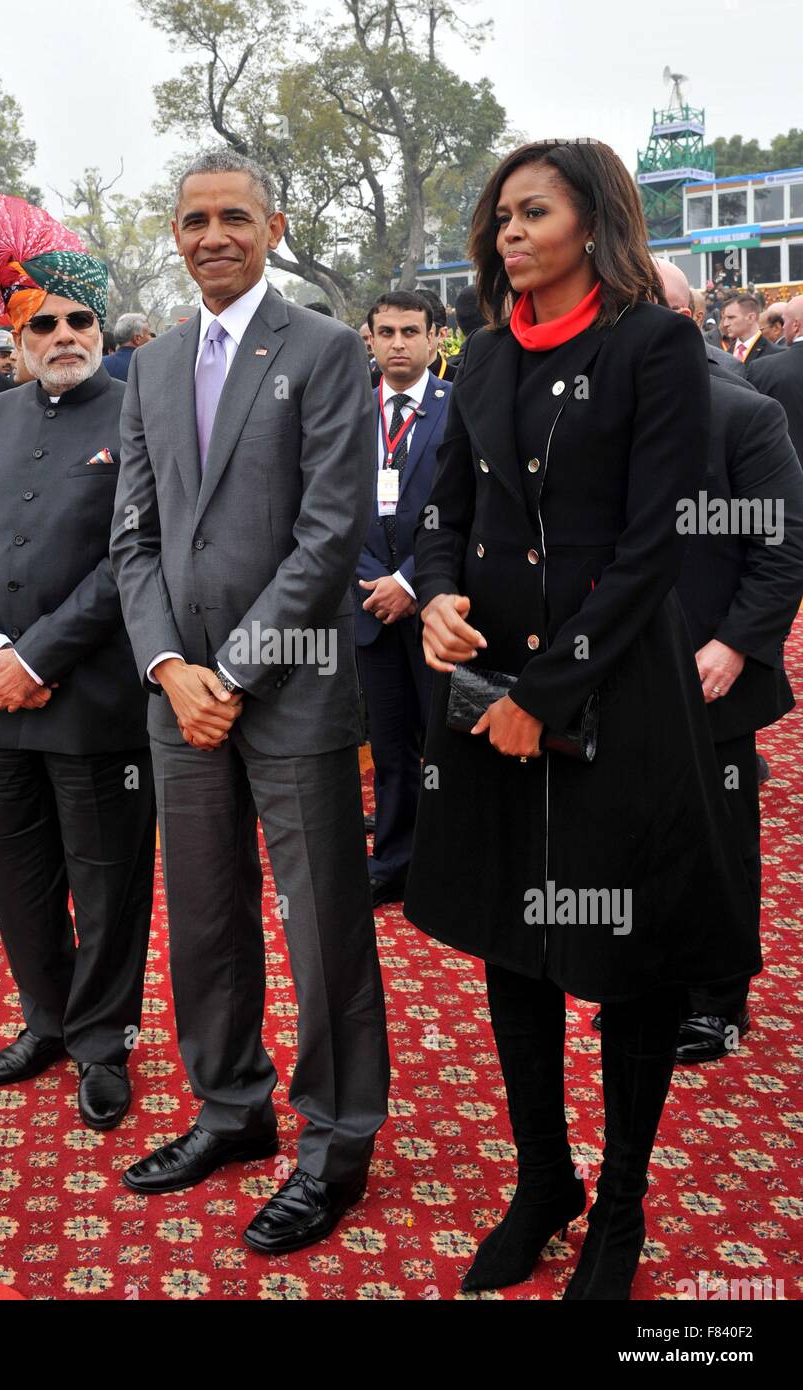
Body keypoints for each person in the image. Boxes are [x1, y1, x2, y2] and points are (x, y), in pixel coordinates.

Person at [404, 138, 760, 1301]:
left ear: (590, 221)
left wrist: (540, 700)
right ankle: (543, 1179)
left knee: (626, 959)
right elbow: (442, 506)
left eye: (533, 211)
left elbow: (654, 542)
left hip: (615, 694)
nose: (508, 230)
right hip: (487, 683)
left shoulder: (650, 344)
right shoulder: (488, 355)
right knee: (517, 940)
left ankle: (620, 1210)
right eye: (499, 213)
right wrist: (441, 593)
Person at [111, 149, 390, 1253]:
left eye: (233, 216)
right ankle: (230, 1108)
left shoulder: (323, 349)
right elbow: (131, 535)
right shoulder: (153, 363)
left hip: (292, 693)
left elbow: (329, 536)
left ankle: (336, 1139)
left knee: (322, 930)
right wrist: (171, 670)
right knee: (206, 918)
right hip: (178, 703)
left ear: (273, 227)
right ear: (173, 234)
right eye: (193, 219)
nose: (212, 235)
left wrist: (231, 672)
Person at [0, 194, 155, 1131]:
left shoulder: (139, 412)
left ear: (99, 325)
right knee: (18, 881)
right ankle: (46, 1022)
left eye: (78, 320)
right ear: (12, 339)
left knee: (105, 880)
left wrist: (39, 655)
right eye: (42, 323)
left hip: (88, 696)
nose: (63, 334)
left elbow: (134, 553)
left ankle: (103, 1043)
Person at [652, 259, 803, 1062]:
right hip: (617, 672)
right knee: (641, 840)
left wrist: (735, 644)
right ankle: (656, 984)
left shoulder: (740, 412)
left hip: (715, 671)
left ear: (682, 321)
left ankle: (716, 1001)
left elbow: (782, 552)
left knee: (715, 845)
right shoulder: (599, 412)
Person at [355, 290, 450, 908]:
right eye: (385, 332)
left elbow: (468, 509)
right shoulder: (348, 411)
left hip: (437, 603)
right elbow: (328, 505)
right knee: (389, 745)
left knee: (445, 743)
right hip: (366, 604)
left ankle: (449, 862)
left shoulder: (459, 409)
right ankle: (392, 859)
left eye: (410, 332)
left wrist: (411, 582)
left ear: (435, 337)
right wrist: (371, 581)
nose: (397, 343)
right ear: (368, 338)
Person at [748, 295, 803, 462]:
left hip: (787, 473)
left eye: (784, 321)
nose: (783, 327)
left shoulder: (763, 368)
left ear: (795, 325)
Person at [723, 292, 780, 366]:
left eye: (731, 317)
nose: (725, 324)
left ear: (751, 318)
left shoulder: (774, 353)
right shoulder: (726, 353)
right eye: (725, 318)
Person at [104, 313, 152, 381]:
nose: (151, 339)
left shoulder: (101, 364)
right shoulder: (149, 367)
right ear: (137, 339)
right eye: (149, 334)